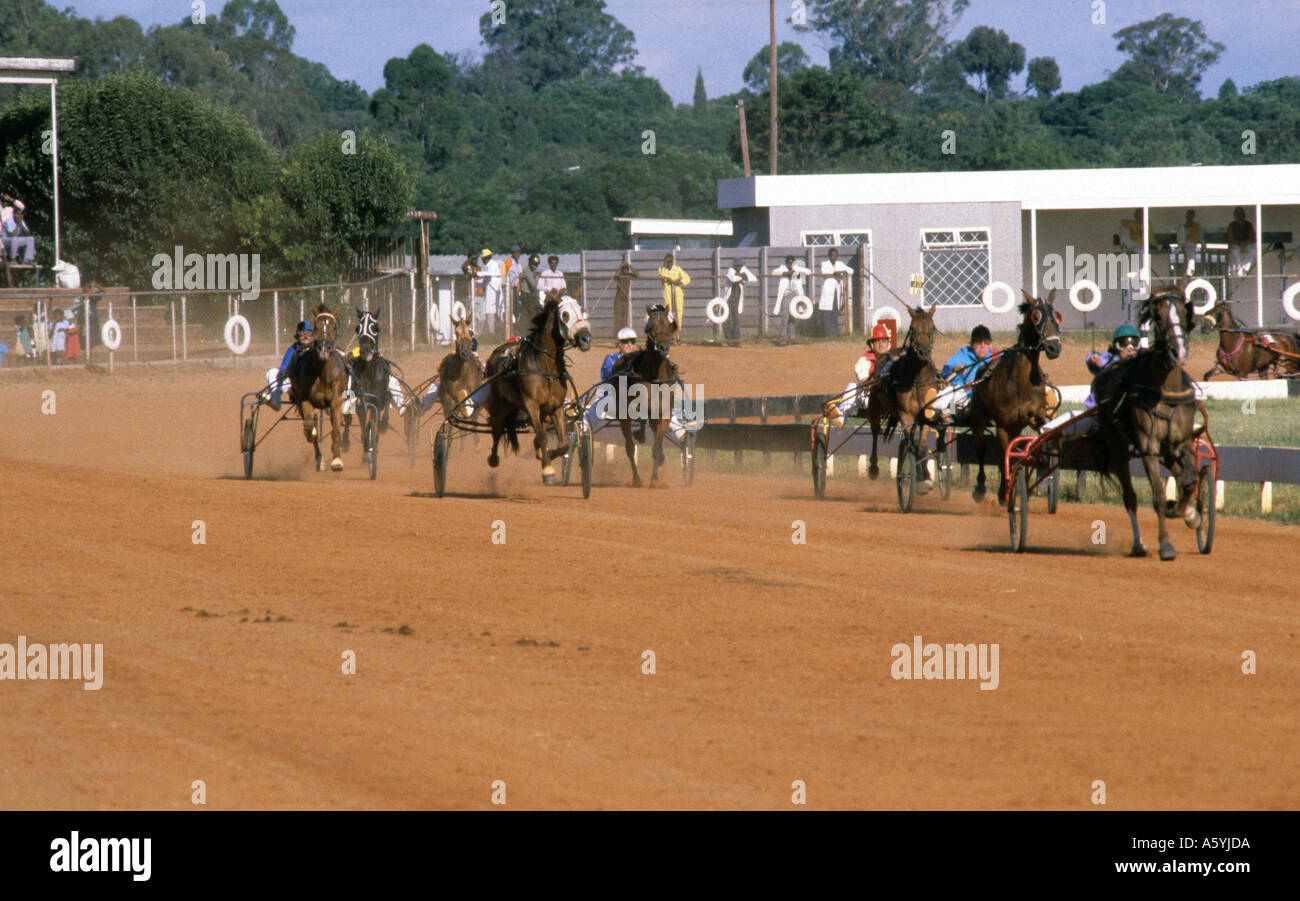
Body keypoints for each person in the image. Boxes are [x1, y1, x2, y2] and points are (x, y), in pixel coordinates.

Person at [1039, 324, 1141, 435]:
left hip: (1127, 416)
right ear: (1116, 347)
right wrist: (1095, 360)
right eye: (1124, 344)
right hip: (1099, 413)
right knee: (1072, 417)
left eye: (1134, 344)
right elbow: (1095, 359)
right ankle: (1047, 434)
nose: (1130, 350)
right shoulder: (1109, 360)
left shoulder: (1140, 364)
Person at [830, 323, 894, 426]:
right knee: (852, 386)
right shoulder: (865, 359)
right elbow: (863, 378)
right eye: (877, 341)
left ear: (888, 343)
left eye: (884, 340)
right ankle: (841, 417)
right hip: (871, 398)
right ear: (872, 344)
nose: (881, 344)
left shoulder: (895, 358)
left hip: (890, 401)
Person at [932, 324, 995, 422]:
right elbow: (945, 372)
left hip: (987, 398)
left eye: (986, 342)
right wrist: (953, 369)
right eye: (978, 342)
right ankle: (945, 416)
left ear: (990, 345)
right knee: (949, 395)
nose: (982, 346)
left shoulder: (996, 357)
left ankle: (942, 413)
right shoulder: (963, 354)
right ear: (971, 344)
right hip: (963, 397)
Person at [263, 320, 315, 410]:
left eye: (308, 333)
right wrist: (284, 372)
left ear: (312, 335)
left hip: (314, 386)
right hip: (296, 386)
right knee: (272, 372)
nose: (305, 336)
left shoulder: (317, 347)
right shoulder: (293, 349)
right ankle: (275, 400)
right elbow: (284, 366)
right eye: (302, 333)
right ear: (297, 335)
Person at [771, 255, 810, 345]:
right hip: (786, 295)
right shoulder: (783, 268)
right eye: (789, 263)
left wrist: (798, 271)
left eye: (792, 263)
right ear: (786, 263)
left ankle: (792, 338)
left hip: (796, 296)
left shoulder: (797, 268)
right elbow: (774, 272)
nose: (790, 264)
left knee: (793, 317)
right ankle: (783, 338)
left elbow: (808, 271)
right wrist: (785, 273)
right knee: (785, 316)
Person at [818, 249, 853, 338]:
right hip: (828, 291)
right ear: (829, 256)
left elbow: (851, 270)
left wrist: (843, 272)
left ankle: (834, 334)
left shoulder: (839, 264)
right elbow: (824, 273)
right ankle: (828, 334)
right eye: (833, 255)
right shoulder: (825, 264)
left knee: (834, 312)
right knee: (827, 314)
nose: (835, 257)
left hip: (836, 291)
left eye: (836, 255)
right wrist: (835, 273)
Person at [721, 259, 756, 345]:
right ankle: (729, 341)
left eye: (740, 266)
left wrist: (740, 275)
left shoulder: (743, 270)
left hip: (736, 300)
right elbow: (732, 278)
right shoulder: (730, 270)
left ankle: (736, 341)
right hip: (728, 300)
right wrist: (742, 276)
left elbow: (753, 278)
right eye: (737, 266)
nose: (738, 267)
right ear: (734, 266)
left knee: (736, 321)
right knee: (726, 321)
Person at [657, 253, 690, 325]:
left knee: (678, 313)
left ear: (672, 262)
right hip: (667, 293)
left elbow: (687, 278)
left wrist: (680, 281)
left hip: (677, 293)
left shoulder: (678, 269)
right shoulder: (662, 269)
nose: (667, 264)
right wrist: (670, 279)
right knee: (668, 313)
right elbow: (662, 275)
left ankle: (677, 333)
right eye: (666, 262)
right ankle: (670, 333)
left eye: (669, 262)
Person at [1227, 206, 1256, 277]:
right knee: (1234, 251)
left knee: (1254, 250)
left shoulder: (1249, 225)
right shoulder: (1231, 225)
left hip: (1247, 244)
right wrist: (1239, 244)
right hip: (1236, 245)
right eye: (1237, 214)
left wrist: (1246, 243)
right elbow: (1230, 238)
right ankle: (1240, 267)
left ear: (1244, 215)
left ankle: (1244, 268)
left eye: (1241, 213)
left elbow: (1252, 237)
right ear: (1235, 215)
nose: (1239, 215)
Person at [517, 254, 542, 325]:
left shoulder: (531, 272)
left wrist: (535, 276)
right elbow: (534, 285)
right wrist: (537, 277)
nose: (535, 266)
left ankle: (522, 330)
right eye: (533, 264)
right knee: (533, 312)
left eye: (536, 265)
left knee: (525, 314)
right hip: (527, 295)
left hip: (529, 295)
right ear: (529, 263)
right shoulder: (527, 271)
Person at [1176, 209, 1201, 277]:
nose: (1189, 217)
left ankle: (1190, 270)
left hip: (1192, 243)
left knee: (1191, 254)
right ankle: (1180, 247)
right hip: (1185, 243)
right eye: (1188, 215)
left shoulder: (1196, 225)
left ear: (1193, 216)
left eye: (1191, 215)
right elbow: (1184, 233)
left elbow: (1197, 235)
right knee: (1181, 227)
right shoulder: (1183, 226)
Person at [503, 245, 523, 320]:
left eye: (518, 253)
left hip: (516, 288)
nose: (518, 254)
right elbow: (504, 274)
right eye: (516, 253)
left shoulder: (518, 264)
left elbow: (520, 275)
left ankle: (516, 322)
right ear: (512, 253)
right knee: (512, 306)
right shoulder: (508, 262)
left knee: (517, 307)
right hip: (509, 288)